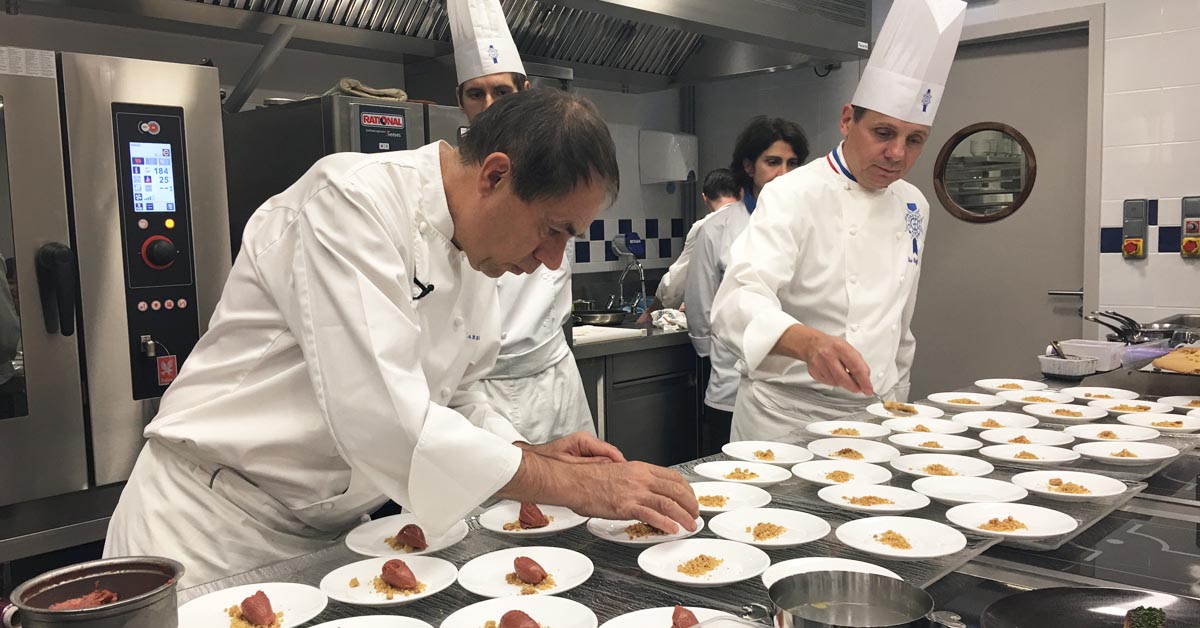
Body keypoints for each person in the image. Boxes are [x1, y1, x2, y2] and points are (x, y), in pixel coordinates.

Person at [104, 88, 699, 587]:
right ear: (495, 174)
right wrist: (577, 485)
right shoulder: (351, 203)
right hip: (211, 529)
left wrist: (527, 453)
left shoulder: (475, 251)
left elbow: (459, 398)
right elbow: (383, 420)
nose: (550, 261)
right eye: (552, 230)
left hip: (334, 538)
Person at [710, 0, 967, 442]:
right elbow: (736, 302)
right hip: (785, 420)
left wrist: (898, 404)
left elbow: (899, 322)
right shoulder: (791, 193)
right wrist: (807, 342)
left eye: (915, 140)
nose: (897, 154)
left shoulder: (913, 204)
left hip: (873, 419)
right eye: (883, 133)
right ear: (848, 119)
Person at [449, 0, 593, 444]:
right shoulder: (453, 184)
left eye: (502, 93)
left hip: (551, 379)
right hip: (479, 392)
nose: (490, 107)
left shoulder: (562, 167)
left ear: (525, 91)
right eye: (477, 94)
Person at [687, 118, 808, 455]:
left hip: (795, 389)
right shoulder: (718, 228)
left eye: (793, 163)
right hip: (731, 388)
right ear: (748, 166)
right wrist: (723, 358)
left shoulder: (809, 223)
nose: (783, 173)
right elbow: (699, 305)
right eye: (773, 162)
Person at [639, 168, 740, 321]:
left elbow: (677, 281)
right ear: (740, 193)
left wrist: (651, 312)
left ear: (704, 198)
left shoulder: (706, 226)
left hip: (721, 322)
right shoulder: (754, 221)